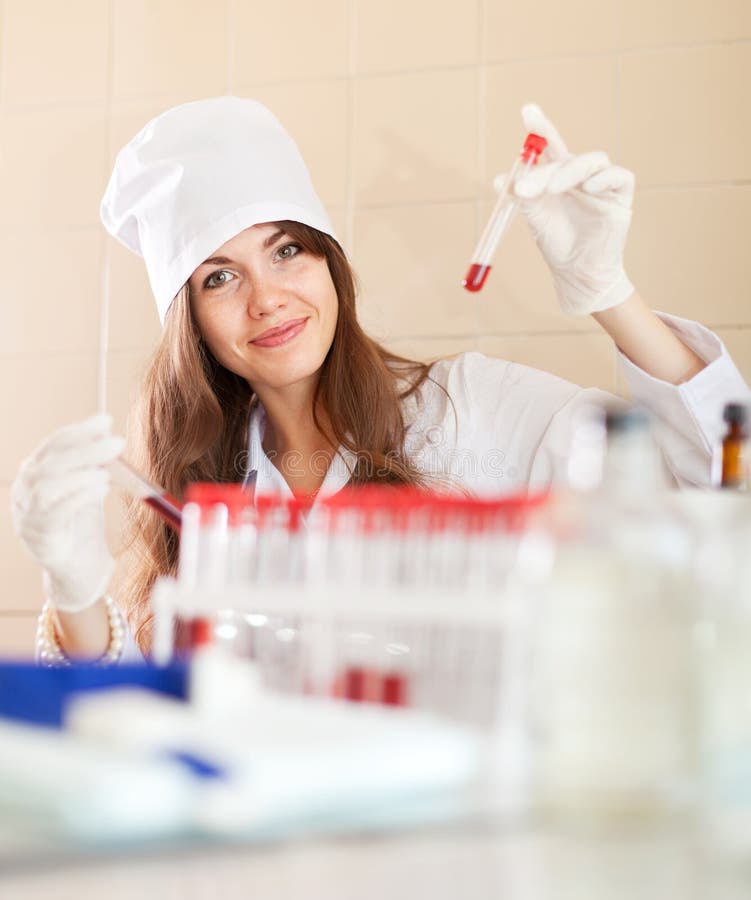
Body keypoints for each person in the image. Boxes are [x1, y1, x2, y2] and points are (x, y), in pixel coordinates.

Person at [10, 97, 750, 665]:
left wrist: (608, 293)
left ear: (330, 263)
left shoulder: (472, 412)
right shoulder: (198, 485)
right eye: (220, 276)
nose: (266, 298)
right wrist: (73, 593)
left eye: (288, 250)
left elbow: (721, 498)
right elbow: (132, 714)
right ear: (190, 320)